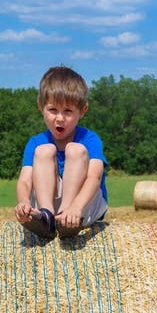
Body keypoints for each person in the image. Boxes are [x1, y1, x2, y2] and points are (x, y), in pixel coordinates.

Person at [15, 66, 108, 239]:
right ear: (40, 107)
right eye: (53, 110)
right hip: (47, 204)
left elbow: (94, 178)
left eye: (68, 111)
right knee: (43, 151)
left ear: (83, 111)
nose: (59, 118)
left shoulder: (90, 139)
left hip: (84, 205)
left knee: (75, 149)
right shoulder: (36, 142)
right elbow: (25, 181)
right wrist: (24, 202)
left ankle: (67, 216)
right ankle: (47, 218)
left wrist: (76, 207)